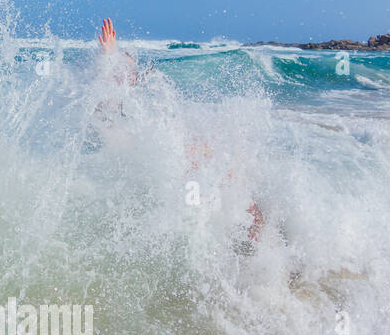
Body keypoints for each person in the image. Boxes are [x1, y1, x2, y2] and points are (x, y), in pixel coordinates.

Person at [96, 17, 264, 240]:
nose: (129, 74)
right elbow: (103, 104)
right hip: (129, 157)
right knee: (213, 158)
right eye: (123, 68)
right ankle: (252, 235)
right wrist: (108, 57)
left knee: (224, 160)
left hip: (148, 153)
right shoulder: (110, 101)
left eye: (132, 70)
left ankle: (257, 236)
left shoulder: (136, 101)